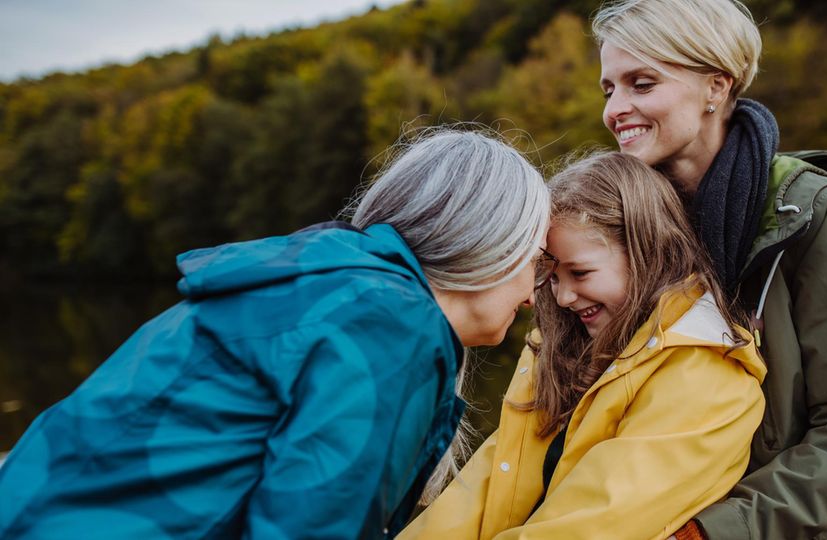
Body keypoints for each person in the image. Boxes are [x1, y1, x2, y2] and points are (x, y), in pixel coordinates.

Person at [0, 129, 550, 539]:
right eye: (536, 261)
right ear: (488, 245)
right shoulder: (389, 324)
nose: (533, 294)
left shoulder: (334, 286)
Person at [592, 1, 827, 538]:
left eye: (642, 83)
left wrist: (713, 532)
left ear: (716, 86)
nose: (616, 109)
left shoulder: (815, 216)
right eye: (608, 89)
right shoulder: (625, 229)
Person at [400, 152, 766, 539]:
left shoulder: (705, 377)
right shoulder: (557, 349)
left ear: (647, 253)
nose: (562, 298)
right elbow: (485, 489)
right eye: (553, 277)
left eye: (580, 272)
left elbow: (592, 524)